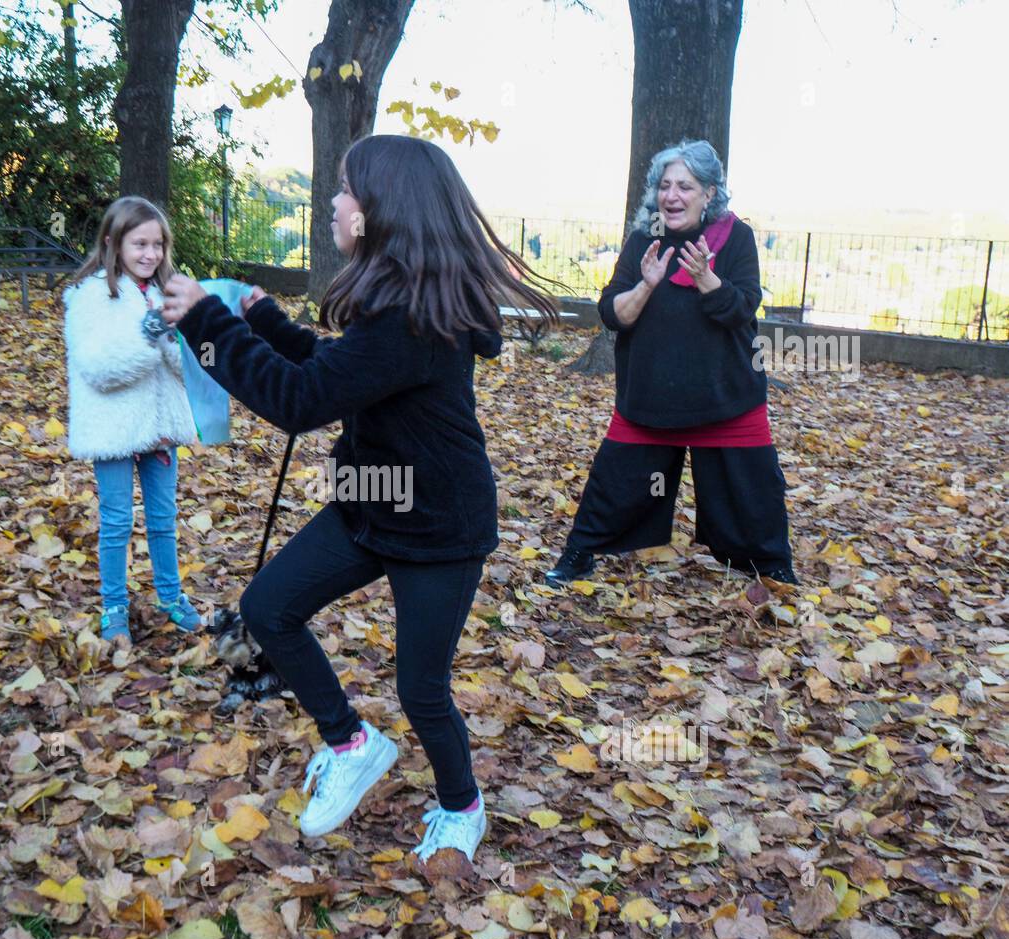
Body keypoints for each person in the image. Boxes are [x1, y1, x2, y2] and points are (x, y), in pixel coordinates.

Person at [161, 135, 558, 864]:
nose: (335, 202)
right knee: (269, 608)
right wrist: (267, 324)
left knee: (422, 690)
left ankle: (461, 807)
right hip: (372, 498)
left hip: (439, 525)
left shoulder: (410, 319)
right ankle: (352, 741)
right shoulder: (395, 311)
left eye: (345, 190)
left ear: (379, 211)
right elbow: (338, 372)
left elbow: (299, 400)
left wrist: (207, 323)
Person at [544, 139, 797, 588]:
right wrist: (645, 285)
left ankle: (772, 565)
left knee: (751, 488)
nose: (672, 196)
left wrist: (705, 277)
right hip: (651, 395)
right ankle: (580, 555)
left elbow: (741, 309)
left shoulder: (735, 237)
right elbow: (611, 313)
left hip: (726, 394)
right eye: (665, 186)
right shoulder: (645, 238)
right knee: (616, 481)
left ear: (710, 194)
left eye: (685, 186)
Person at [63, 196, 203, 649]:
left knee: (164, 518)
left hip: (161, 430)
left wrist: (177, 340)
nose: (150, 254)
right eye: (139, 243)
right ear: (113, 242)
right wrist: (149, 334)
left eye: (158, 244)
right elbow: (98, 368)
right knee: (117, 521)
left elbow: (191, 372)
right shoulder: (90, 298)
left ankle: (170, 596)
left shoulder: (170, 294)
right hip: (115, 431)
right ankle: (113, 606)